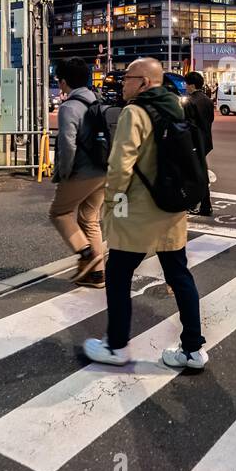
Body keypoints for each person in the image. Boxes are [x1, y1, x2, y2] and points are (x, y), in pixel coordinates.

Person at [82, 57, 209, 370]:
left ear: (144, 82)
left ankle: (116, 346)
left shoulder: (134, 112)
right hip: (172, 208)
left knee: (118, 273)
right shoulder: (175, 107)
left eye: (128, 77)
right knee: (179, 274)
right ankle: (193, 350)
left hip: (140, 211)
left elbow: (121, 165)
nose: (122, 83)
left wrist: (112, 203)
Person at [47, 58, 108, 288]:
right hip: (104, 169)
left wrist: (64, 173)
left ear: (64, 82)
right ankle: (97, 275)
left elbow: (67, 144)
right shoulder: (97, 99)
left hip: (82, 172)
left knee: (59, 213)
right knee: (89, 218)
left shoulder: (69, 107)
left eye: (59, 82)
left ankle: (87, 254)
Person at [183, 71, 215, 217]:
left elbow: (187, 124)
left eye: (186, 84)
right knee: (200, 172)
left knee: (194, 174)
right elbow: (210, 120)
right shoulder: (208, 100)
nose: (185, 87)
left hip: (194, 142)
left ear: (191, 85)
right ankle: (205, 205)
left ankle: (194, 204)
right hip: (206, 141)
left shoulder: (189, 101)